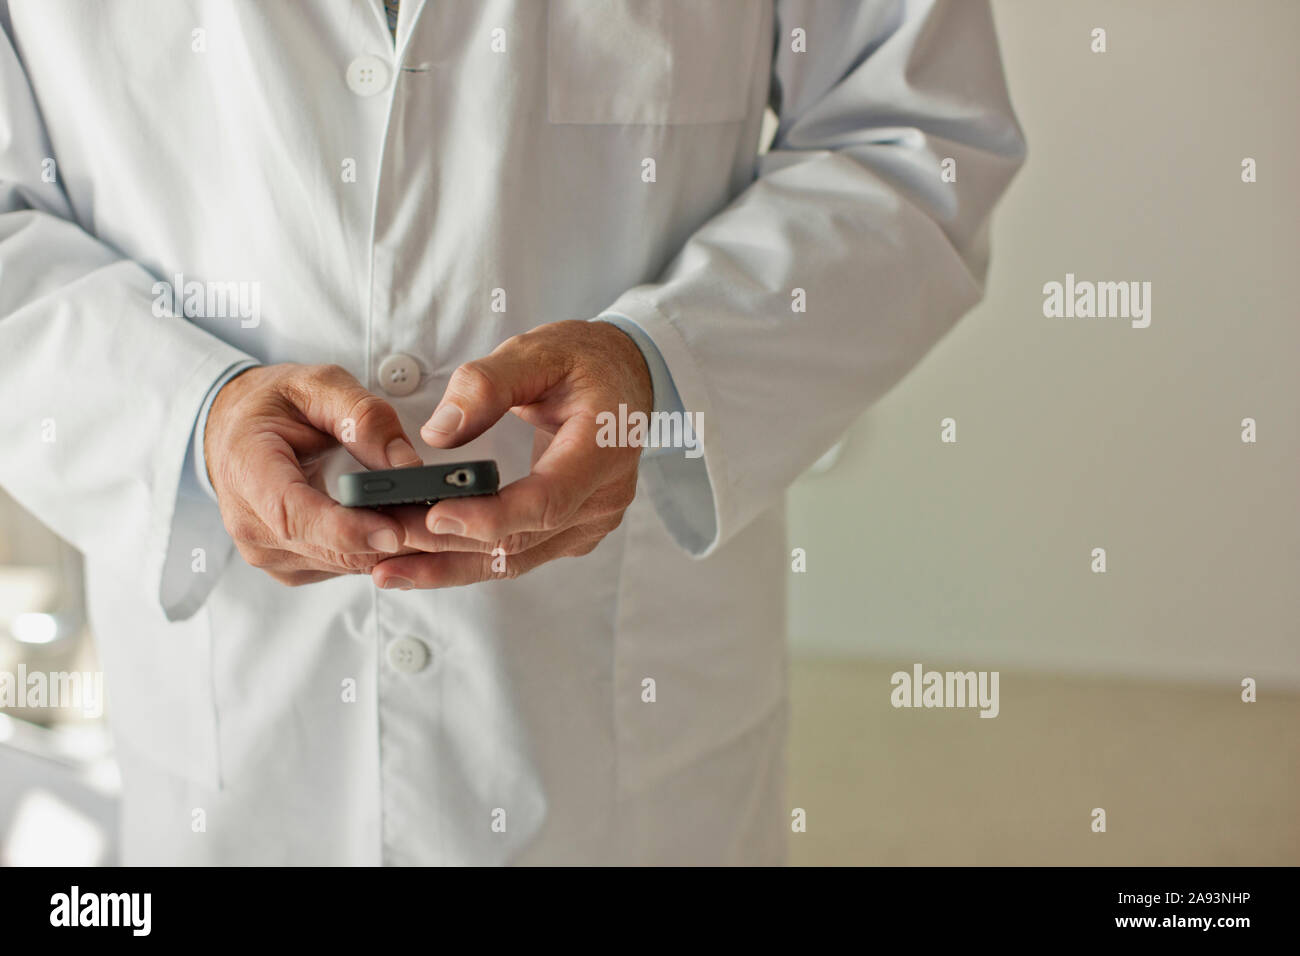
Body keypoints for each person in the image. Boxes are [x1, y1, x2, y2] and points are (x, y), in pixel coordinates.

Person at [0, 0, 1025, 864]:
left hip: (629, 747)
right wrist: (190, 415)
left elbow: (911, 136)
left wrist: (662, 372)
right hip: (236, 728)